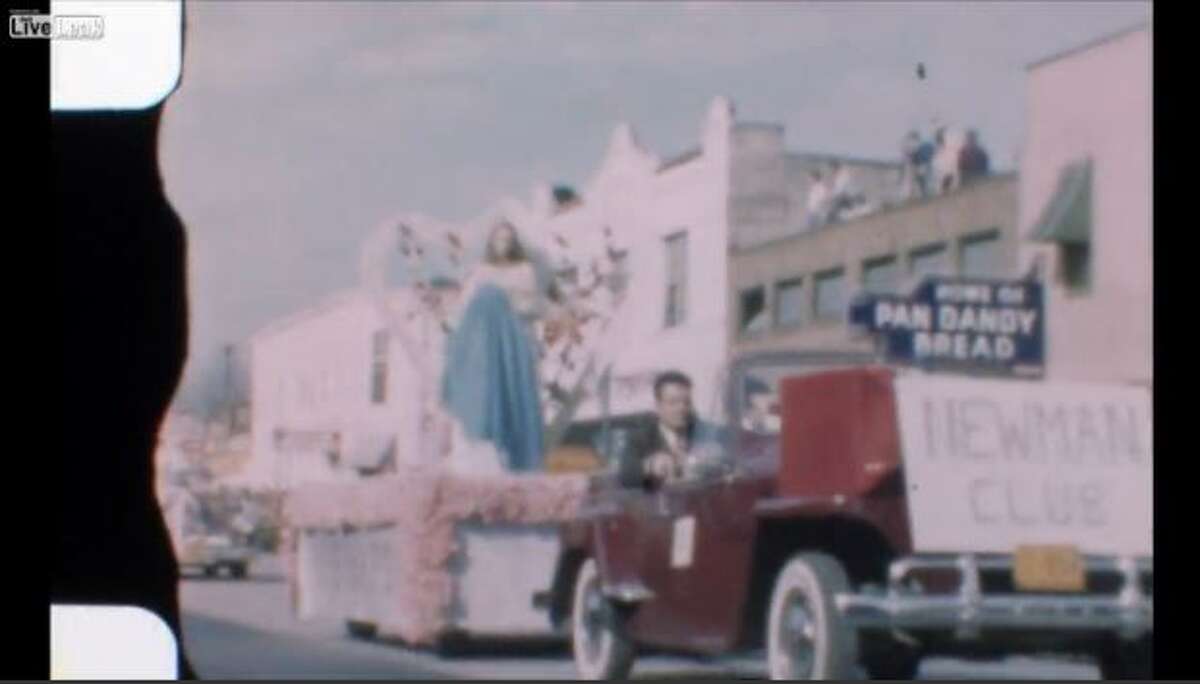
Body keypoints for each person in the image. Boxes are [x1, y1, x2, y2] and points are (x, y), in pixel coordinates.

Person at [440, 219, 563, 474]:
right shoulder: (481, 271)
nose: (503, 244)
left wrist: (506, 305)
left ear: (514, 242)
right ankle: (484, 444)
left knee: (514, 397)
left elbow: (533, 305)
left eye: (508, 239)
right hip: (487, 346)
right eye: (498, 239)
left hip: (514, 342)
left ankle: (515, 455)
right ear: (491, 242)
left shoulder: (524, 270)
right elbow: (466, 307)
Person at [618, 371, 722, 489]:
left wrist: (710, 459)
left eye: (686, 402)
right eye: (673, 402)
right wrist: (650, 466)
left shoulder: (702, 430)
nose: (681, 408)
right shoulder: (640, 437)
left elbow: (725, 459)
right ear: (657, 406)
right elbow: (626, 475)